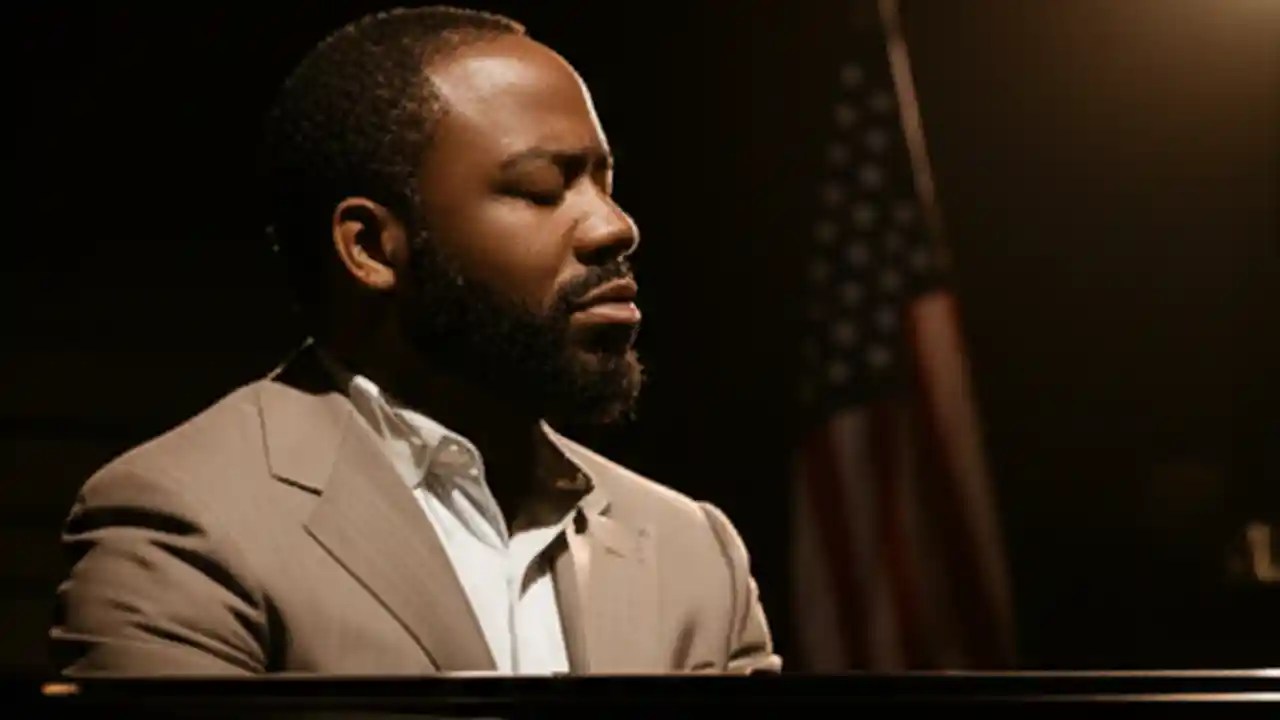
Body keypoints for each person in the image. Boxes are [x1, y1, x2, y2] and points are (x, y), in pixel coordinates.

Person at [48, 5, 780, 676]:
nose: (615, 226)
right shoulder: (186, 523)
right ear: (371, 246)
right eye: (539, 189)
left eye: (603, 181)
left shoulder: (693, 551)